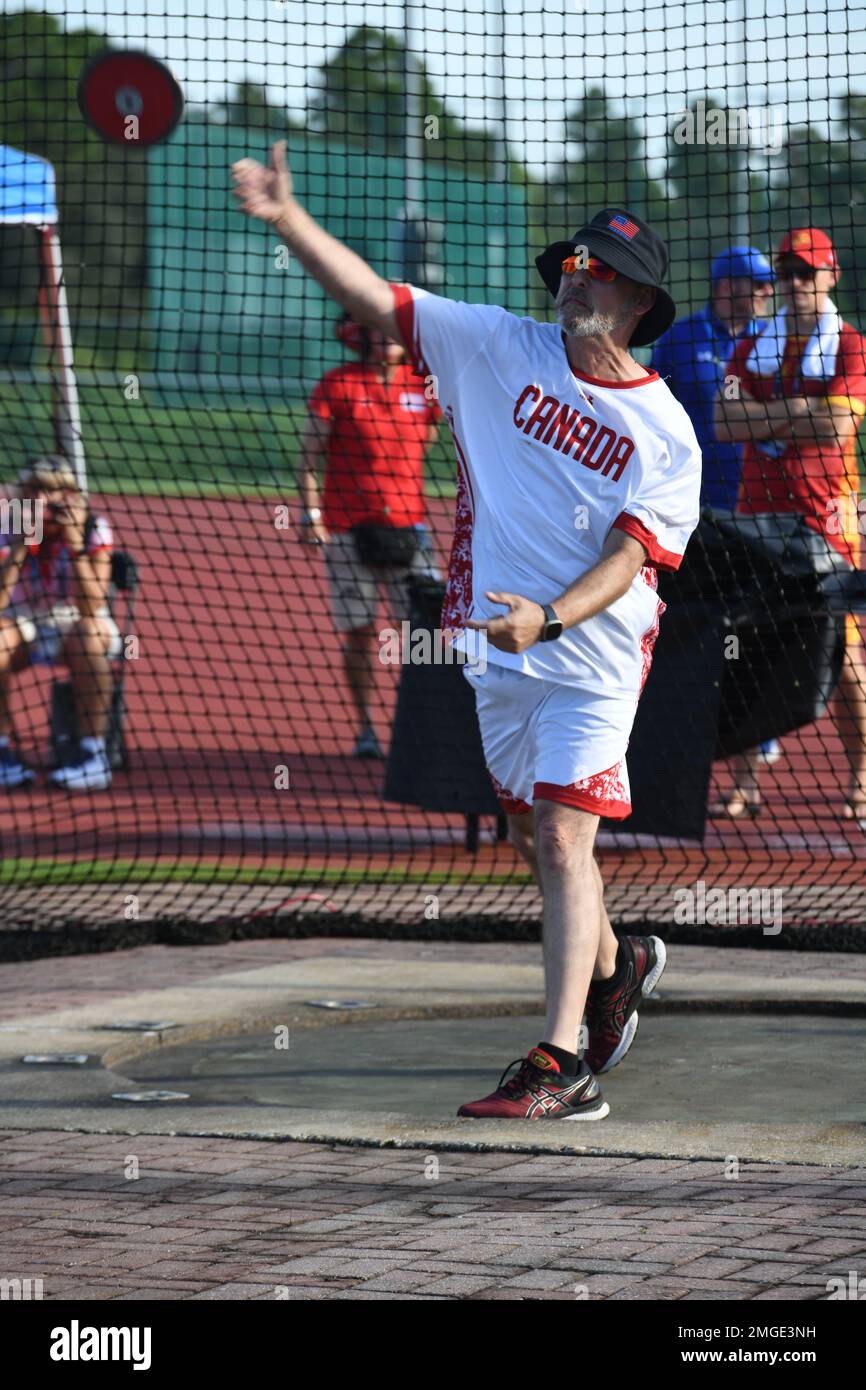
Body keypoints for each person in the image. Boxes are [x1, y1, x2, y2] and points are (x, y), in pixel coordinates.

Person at [233, 145, 701, 1120]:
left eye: (598, 272)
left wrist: (552, 614)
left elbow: (629, 559)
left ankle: (559, 1061)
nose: (576, 280)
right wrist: (286, 219)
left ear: (635, 304)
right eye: (572, 264)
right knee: (543, 841)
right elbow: (376, 300)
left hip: (594, 657)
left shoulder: (664, 432)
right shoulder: (494, 344)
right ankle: (621, 970)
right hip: (494, 649)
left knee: (564, 839)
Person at [714, 227, 866, 823]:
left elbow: (837, 432)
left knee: (844, 655)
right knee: (747, 651)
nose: (794, 284)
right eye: (786, 273)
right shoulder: (752, 347)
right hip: (756, 518)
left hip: (828, 522)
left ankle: (860, 774)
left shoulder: (852, 347)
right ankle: (747, 784)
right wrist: (801, 410)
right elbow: (726, 422)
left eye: (807, 273)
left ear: (829, 278)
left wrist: (766, 418)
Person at [652, 248, 782, 768]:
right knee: (690, 618)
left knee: (755, 624)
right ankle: (687, 720)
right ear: (724, 285)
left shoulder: (771, 343)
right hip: (692, 512)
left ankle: (758, 727)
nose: (764, 293)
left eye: (766, 286)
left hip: (756, 506)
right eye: (754, 284)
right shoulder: (681, 338)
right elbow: (656, 411)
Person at [298, 310, 442, 759]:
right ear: (359, 336)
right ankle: (365, 729)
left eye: (390, 333)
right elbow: (309, 457)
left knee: (422, 633)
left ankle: (425, 725)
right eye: (373, 332)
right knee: (360, 631)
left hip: (408, 526)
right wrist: (311, 515)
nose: (382, 340)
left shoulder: (423, 386)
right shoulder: (338, 383)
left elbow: (430, 439)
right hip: (346, 528)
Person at [0, 457, 121, 791]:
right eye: (38, 490)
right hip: (21, 620)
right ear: (23, 494)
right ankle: (2, 752)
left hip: (76, 622)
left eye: (56, 490)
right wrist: (21, 545)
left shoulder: (93, 526)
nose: (47, 500)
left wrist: (76, 544)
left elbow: (92, 604)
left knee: (89, 633)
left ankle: (92, 755)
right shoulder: (6, 526)